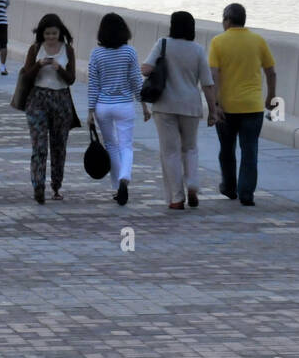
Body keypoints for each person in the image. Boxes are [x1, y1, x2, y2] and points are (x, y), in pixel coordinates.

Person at [142, 11, 217, 210]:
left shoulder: (162, 44)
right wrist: (213, 111)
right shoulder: (198, 50)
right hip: (191, 105)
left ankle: (176, 198)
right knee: (190, 148)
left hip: (165, 105)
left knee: (170, 151)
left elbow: (145, 69)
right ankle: (192, 183)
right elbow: (208, 84)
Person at [208, 2, 276, 206]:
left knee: (226, 149)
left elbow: (213, 74)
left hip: (227, 107)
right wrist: (271, 97)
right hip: (253, 106)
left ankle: (229, 187)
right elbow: (271, 72)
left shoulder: (218, 42)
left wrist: (215, 104)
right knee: (250, 150)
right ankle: (246, 193)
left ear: (227, 20)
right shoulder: (258, 41)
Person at [86, 12, 143, 206]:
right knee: (126, 145)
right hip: (125, 105)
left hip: (103, 106)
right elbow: (136, 80)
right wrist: (143, 104)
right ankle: (124, 178)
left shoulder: (96, 54)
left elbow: (93, 84)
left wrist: (90, 111)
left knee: (111, 145)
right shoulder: (129, 52)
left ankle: (116, 186)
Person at [21, 13, 79, 204]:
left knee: (58, 144)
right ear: (41, 34)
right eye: (47, 34)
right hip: (38, 99)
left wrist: (58, 68)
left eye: (54, 34)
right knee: (39, 146)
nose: (51, 37)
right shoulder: (35, 49)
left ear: (60, 33)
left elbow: (71, 79)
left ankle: (56, 185)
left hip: (61, 99)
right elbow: (27, 76)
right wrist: (38, 65)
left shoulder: (67, 50)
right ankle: (38, 185)